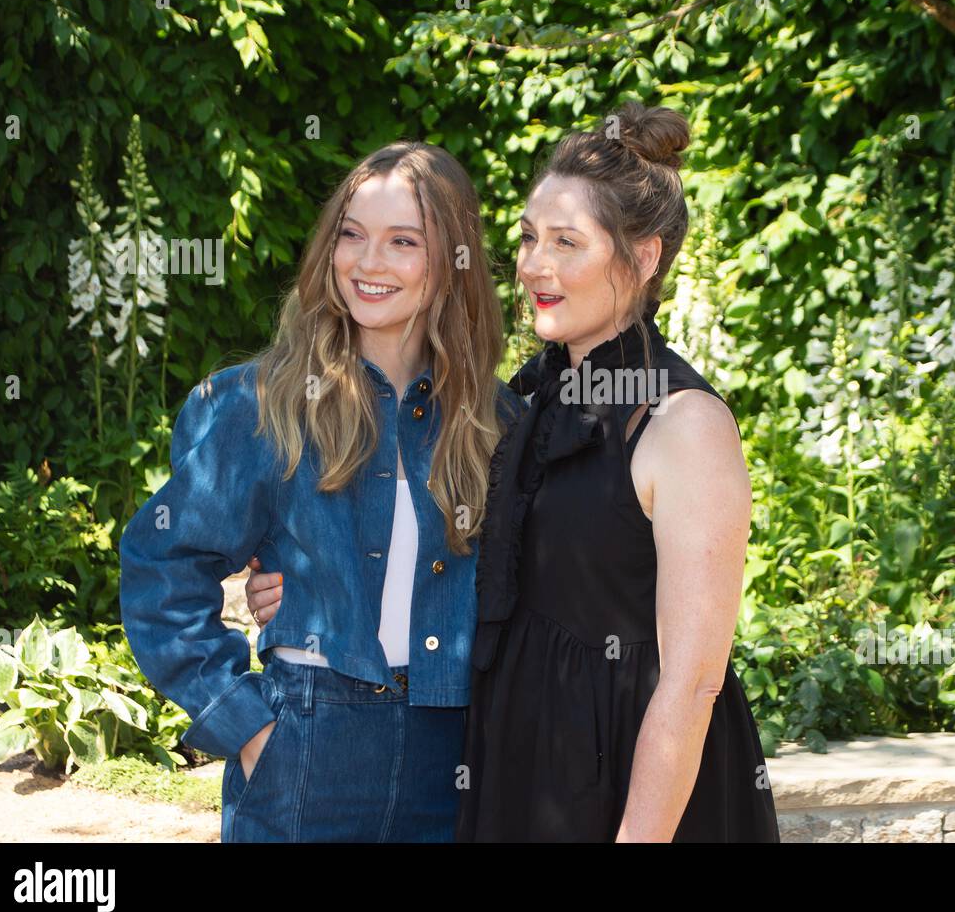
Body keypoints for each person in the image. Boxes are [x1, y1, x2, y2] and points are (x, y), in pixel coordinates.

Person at [248, 103, 780, 842]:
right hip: (522, 772)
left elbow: (693, 684)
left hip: (632, 794)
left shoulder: (682, 424)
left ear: (644, 257)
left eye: (567, 242)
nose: (534, 265)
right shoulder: (521, 406)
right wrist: (293, 578)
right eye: (530, 238)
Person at [119, 141, 518, 842]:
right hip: (307, 744)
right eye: (352, 235)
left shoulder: (494, 418)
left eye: (403, 242)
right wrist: (246, 726)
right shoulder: (263, 404)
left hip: (452, 750)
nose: (368, 263)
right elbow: (162, 567)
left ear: (453, 261)